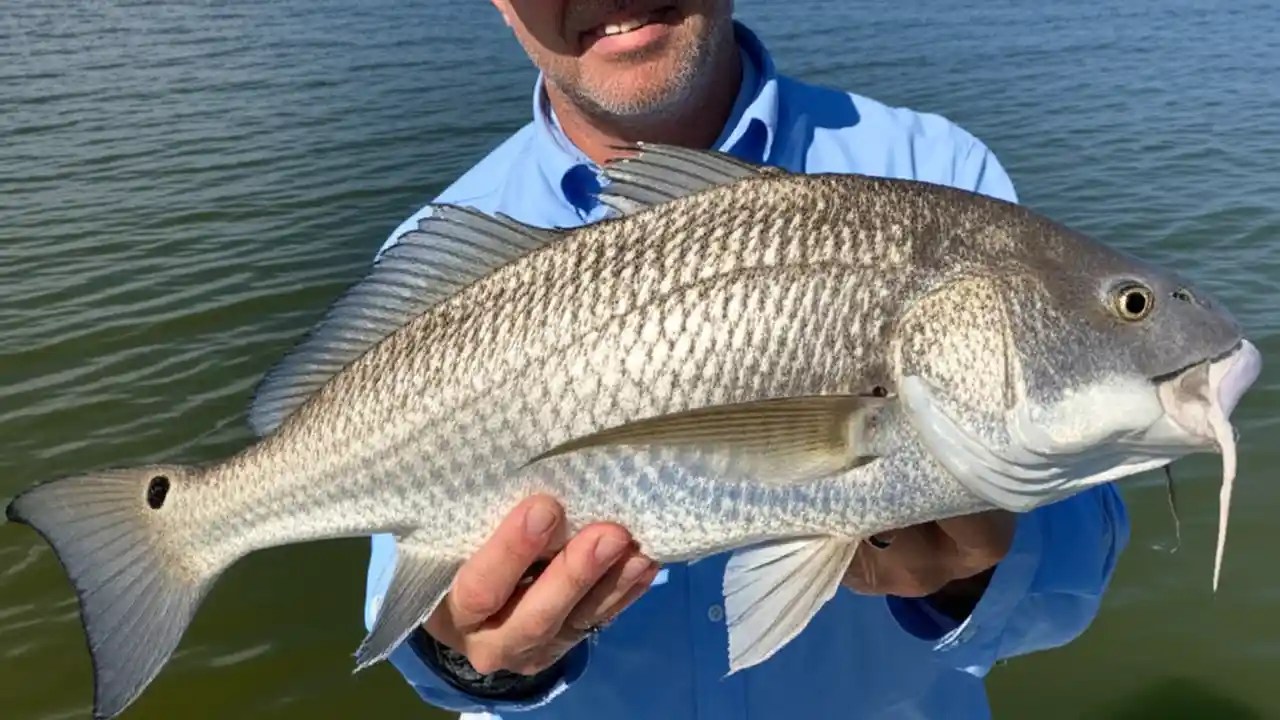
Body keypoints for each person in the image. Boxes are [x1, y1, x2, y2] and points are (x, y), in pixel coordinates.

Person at [364, 2, 1130, 718]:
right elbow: (411, 627)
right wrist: (475, 657)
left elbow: (1064, 586)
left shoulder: (933, 173)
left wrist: (975, 578)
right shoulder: (434, 263)